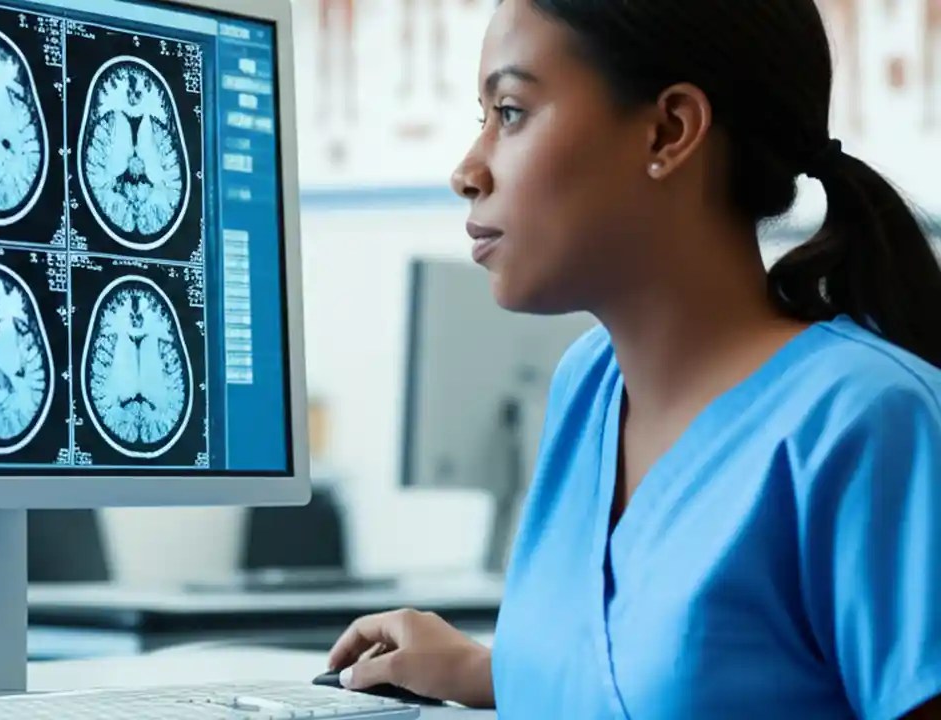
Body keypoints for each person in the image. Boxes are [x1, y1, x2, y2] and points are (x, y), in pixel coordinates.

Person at [327, 0, 941, 717]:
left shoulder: (870, 422)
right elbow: (694, 671)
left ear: (668, 130)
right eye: (483, 119)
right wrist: (491, 672)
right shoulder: (589, 385)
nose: (468, 170)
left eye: (513, 111)